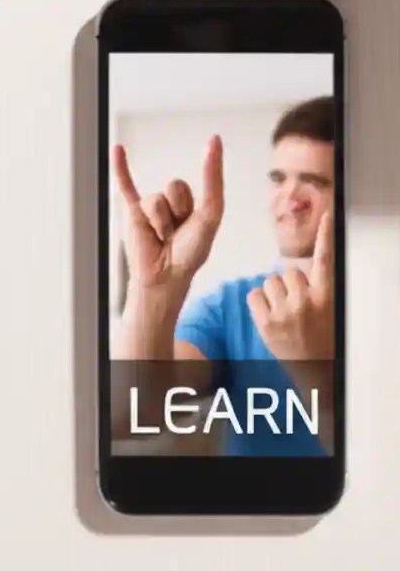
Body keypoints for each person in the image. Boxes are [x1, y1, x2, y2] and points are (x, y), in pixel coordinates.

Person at [111, 96, 336, 456]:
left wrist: (317, 378)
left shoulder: (395, 308)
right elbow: (130, 415)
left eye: (315, 182)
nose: (289, 198)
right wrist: (152, 291)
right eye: (279, 179)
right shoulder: (233, 307)